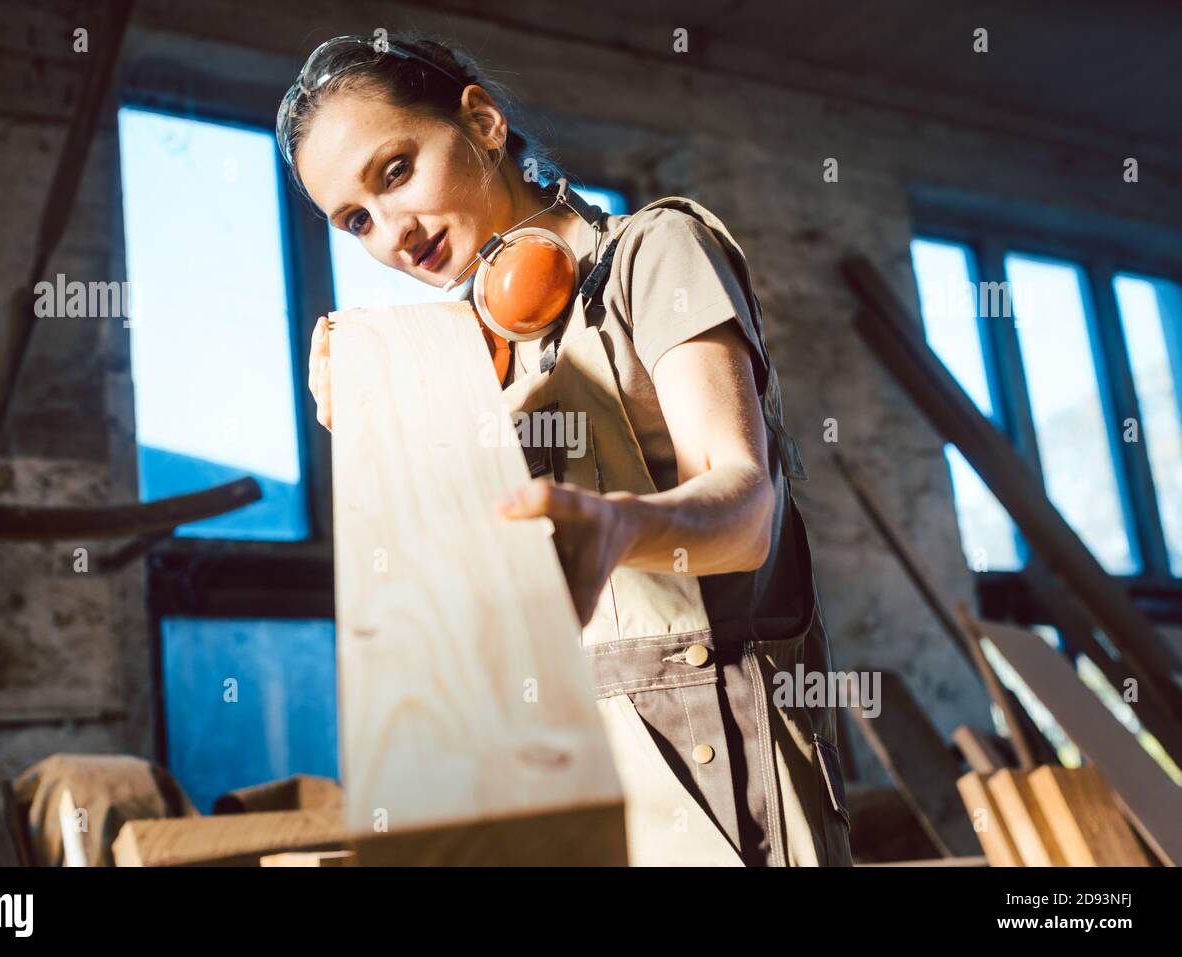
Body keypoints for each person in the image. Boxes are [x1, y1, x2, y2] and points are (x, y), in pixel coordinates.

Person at [276, 33, 852, 866]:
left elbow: (747, 509)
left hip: (726, 765)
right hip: (574, 772)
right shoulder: (463, 364)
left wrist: (618, 527)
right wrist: (379, 436)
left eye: (396, 170)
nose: (393, 232)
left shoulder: (654, 254)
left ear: (482, 120)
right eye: (355, 220)